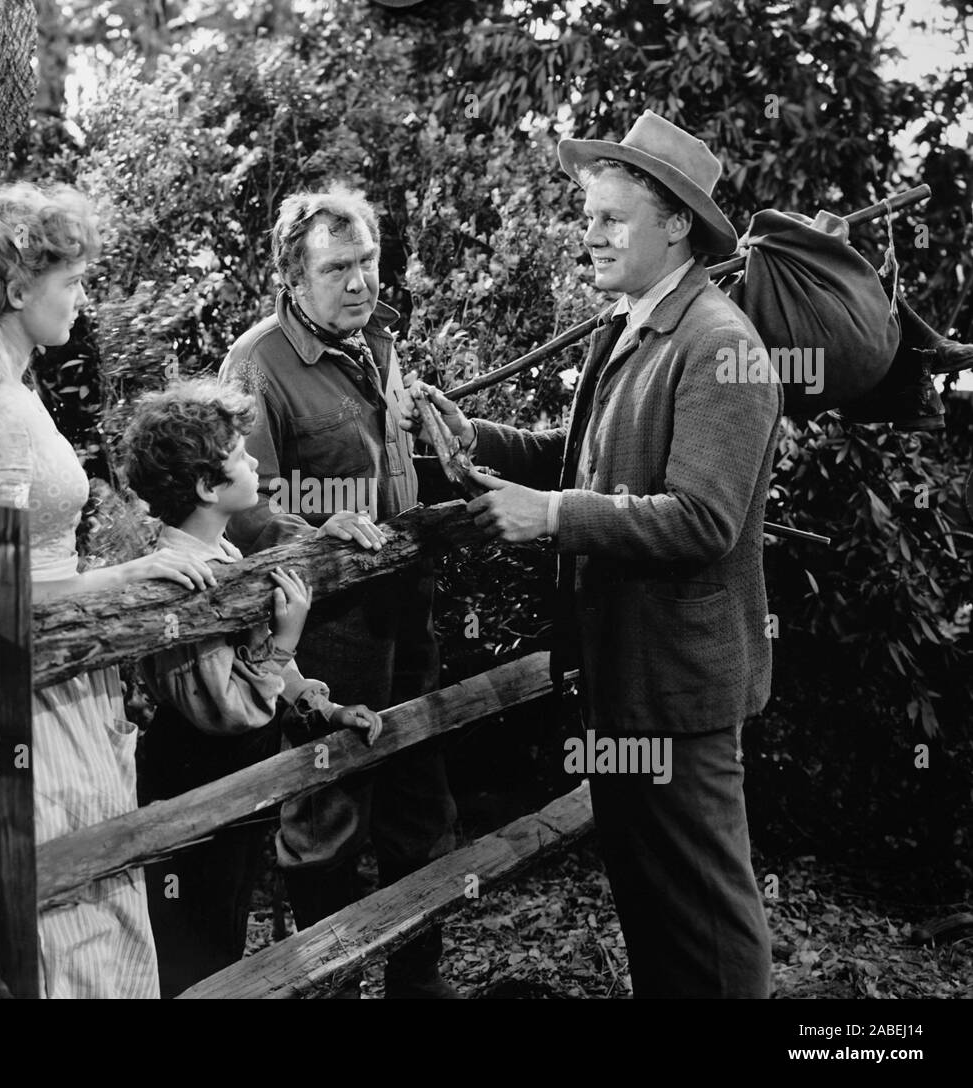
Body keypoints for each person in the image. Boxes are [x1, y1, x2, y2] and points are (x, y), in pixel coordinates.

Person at [404, 111, 778, 998]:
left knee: (712, 924)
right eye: (590, 216)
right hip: (617, 679)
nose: (591, 235)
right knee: (652, 908)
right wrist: (478, 437)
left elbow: (701, 520)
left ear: (677, 223)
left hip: (677, 692)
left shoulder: (721, 346)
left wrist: (555, 517)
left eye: (613, 218)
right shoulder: (632, 327)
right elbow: (588, 463)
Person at [0, 182, 215, 999]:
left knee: (98, 898)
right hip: (26, 692)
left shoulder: (17, 394)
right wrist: (128, 574)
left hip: (66, 674)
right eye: (71, 284)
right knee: (67, 910)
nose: (80, 305)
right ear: (17, 291)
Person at [219, 185, 459, 998]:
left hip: (407, 618)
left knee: (419, 808)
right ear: (293, 278)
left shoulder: (378, 346)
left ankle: (416, 984)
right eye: (337, 269)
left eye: (368, 264)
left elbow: (388, 469)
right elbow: (241, 508)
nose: (360, 283)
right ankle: (331, 985)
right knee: (326, 822)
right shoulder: (258, 365)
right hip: (321, 633)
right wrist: (311, 534)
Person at [121, 378, 382, 997]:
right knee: (194, 941)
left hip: (234, 783)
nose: (255, 461)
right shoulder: (185, 579)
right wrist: (288, 637)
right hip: (193, 782)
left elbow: (254, 669)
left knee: (227, 920)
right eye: (240, 454)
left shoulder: (224, 552)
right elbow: (229, 709)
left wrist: (319, 703)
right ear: (208, 488)